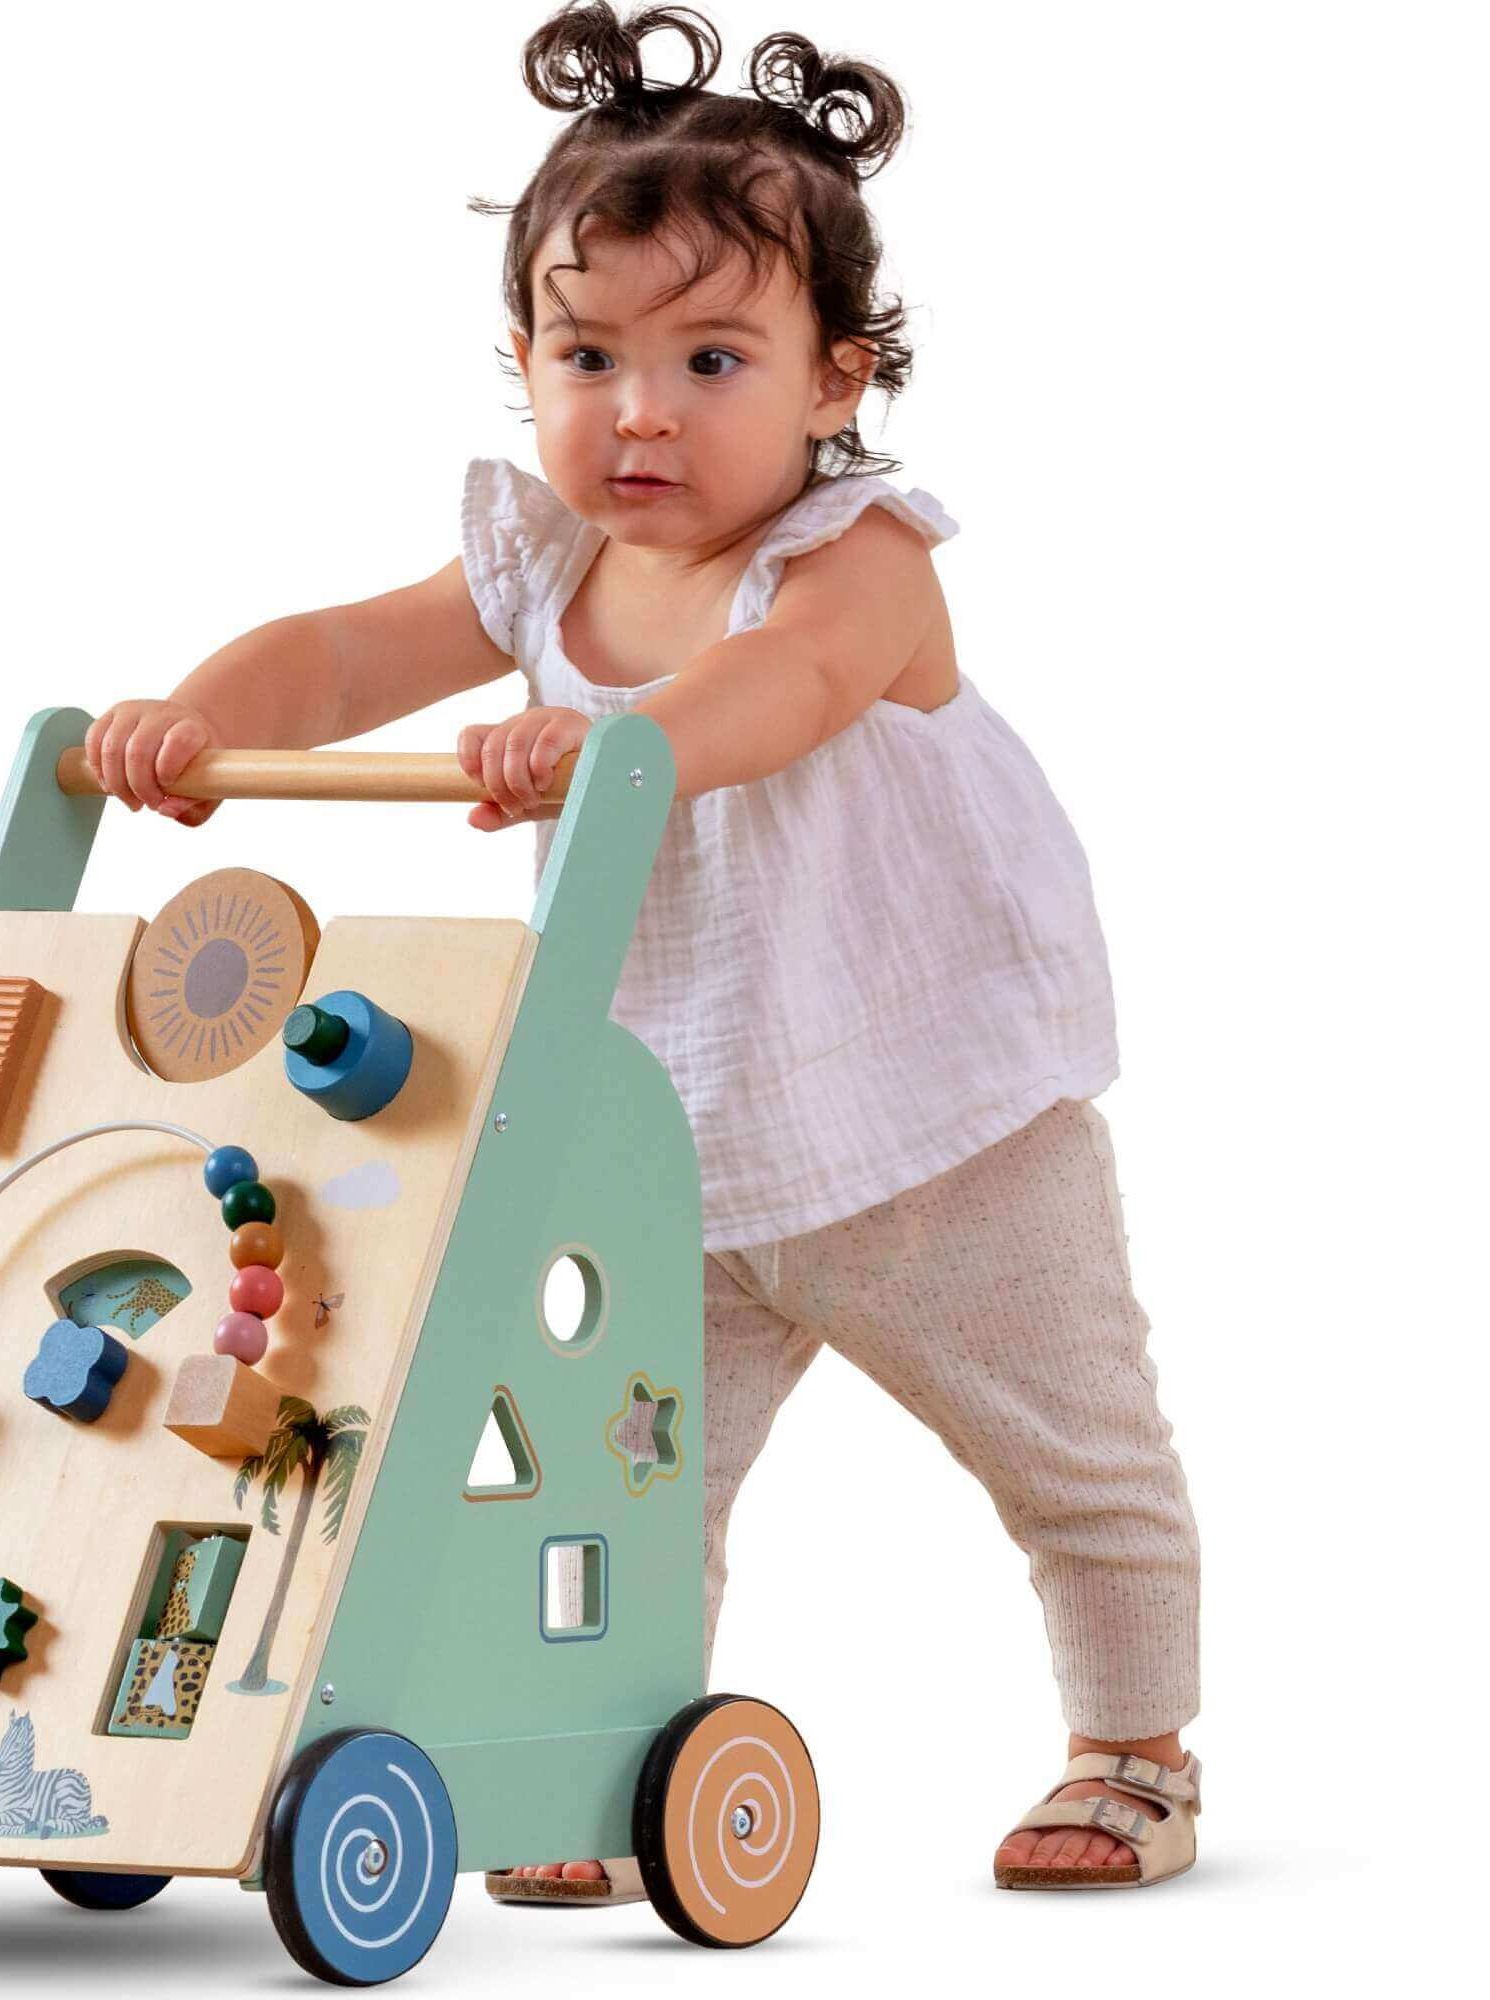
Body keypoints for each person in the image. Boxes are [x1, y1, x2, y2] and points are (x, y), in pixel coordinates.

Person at [84, 0, 1201, 1898]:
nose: (642, 410)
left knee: (1072, 1446)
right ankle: (605, 1764)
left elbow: (788, 688)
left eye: (711, 359)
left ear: (836, 380)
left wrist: (622, 742)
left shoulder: (855, 559)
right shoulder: (543, 563)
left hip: (931, 1123)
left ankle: (1134, 1745)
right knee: (626, 1469)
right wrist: (198, 719)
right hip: (667, 1134)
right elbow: (345, 652)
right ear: (521, 360)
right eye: (585, 354)